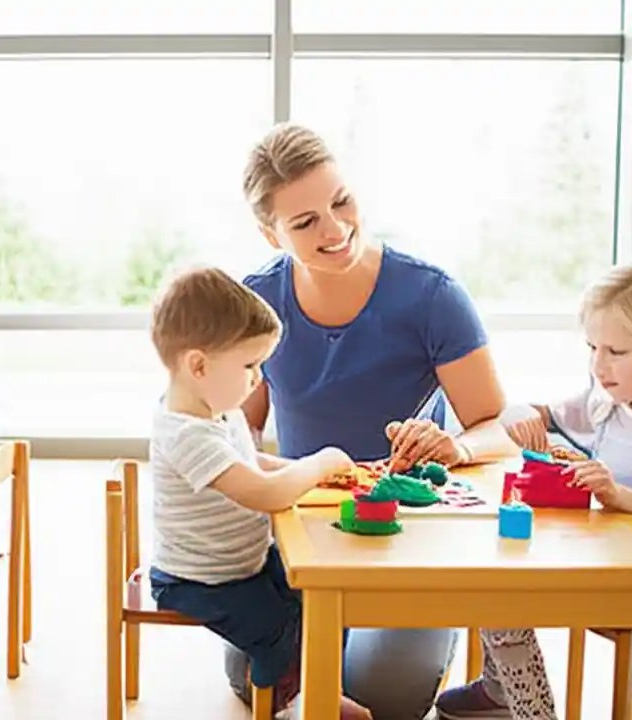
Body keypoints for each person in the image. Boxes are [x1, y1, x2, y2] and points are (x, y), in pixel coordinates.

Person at [232, 122, 515, 715]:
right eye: (305, 222)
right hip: (304, 529)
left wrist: (456, 447)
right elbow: (238, 431)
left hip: (411, 533)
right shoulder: (254, 303)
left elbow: (495, 424)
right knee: (254, 675)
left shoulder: (431, 296)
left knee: (382, 694)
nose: (335, 230)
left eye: (341, 202)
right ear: (270, 233)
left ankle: (433, 628)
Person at [435, 258, 632, 719]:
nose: (598, 364)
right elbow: (527, 413)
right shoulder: (603, 405)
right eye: (592, 346)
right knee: (496, 585)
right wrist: (518, 417)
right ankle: (504, 694)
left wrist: (617, 495)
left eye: (616, 351)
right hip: (613, 565)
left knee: (508, 592)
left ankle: (524, 706)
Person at [146, 266, 372, 718]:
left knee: (321, 597)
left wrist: (311, 474)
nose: (257, 378)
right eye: (249, 365)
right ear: (198, 365)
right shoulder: (187, 434)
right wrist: (320, 461)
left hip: (240, 564)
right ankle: (283, 704)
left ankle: (319, 689)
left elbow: (251, 464)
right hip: (199, 581)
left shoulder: (219, 412)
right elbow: (265, 494)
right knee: (277, 629)